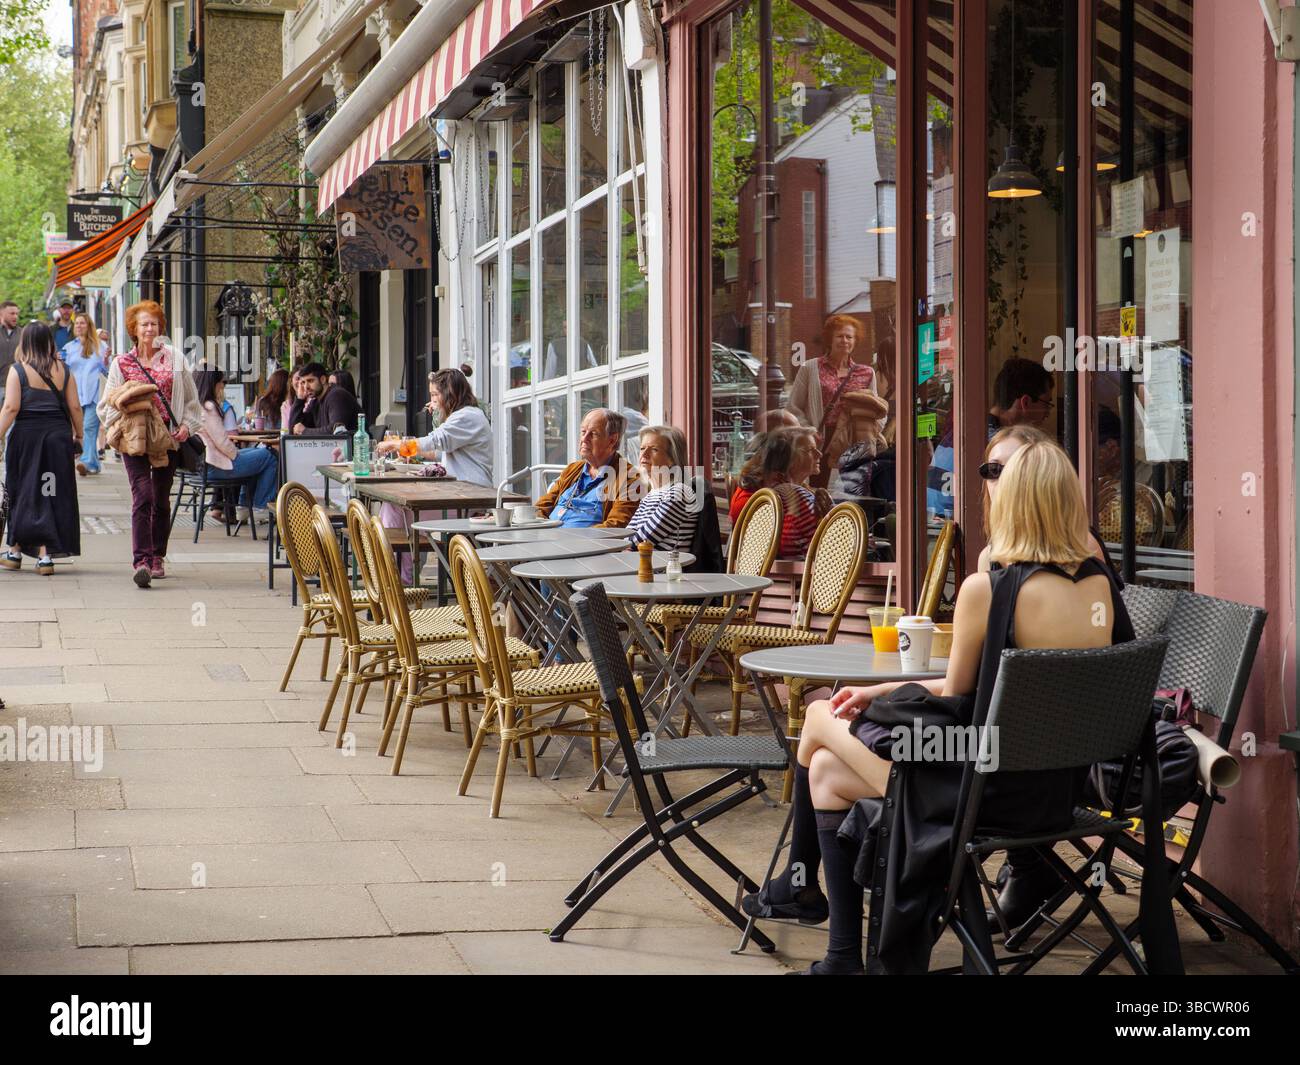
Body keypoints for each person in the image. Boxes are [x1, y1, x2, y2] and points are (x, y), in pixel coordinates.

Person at [744, 438, 1131, 974]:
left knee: (817, 717)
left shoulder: (990, 587)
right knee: (829, 774)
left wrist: (882, 704)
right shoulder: (1098, 585)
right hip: (1056, 790)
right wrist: (879, 694)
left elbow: (952, 695)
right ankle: (832, 944)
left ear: (1012, 500)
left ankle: (807, 895)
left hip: (981, 795)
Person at [98, 299, 202, 588]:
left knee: (161, 498)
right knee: (142, 495)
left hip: (167, 438)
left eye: (154, 323)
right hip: (135, 439)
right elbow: (106, 404)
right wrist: (117, 426)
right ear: (134, 328)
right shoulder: (122, 363)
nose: (149, 328)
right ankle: (141, 560)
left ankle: (158, 556)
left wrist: (186, 427)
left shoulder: (175, 359)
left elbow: (192, 402)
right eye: (144, 323)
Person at [0, 323, 82, 574]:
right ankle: (45, 556)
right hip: (57, 438)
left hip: (26, 438)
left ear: (25, 343)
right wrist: (78, 435)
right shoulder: (63, 369)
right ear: (49, 341)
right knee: (51, 491)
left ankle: (14, 552)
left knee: (22, 489)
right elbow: (75, 407)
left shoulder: (18, 370)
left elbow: (11, 408)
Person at [787, 315, 889, 489]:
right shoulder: (810, 368)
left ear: (855, 341)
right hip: (821, 438)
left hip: (853, 438)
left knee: (853, 492)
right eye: (839, 336)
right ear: (830, 339)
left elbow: (876, 409)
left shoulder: (866, 372)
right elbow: (793, 406)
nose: (845, 340)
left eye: (849, 337)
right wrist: (809, 432)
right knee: (818, 491)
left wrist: (872, 431)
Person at [375, 368, 492, 485]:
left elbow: (435, 440)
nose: (432, 400)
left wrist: (395, 444)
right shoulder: (465, 415)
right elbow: (440, 453)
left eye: (435, 394)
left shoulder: (467, 416)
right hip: (461, 489)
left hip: (472, 492)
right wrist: (409, 450)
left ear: (450, 393)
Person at [729, 427, 831, 558]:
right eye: (810, 450)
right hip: (787, 573)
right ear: (791, 460)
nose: (820, 454)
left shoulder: (796, 494)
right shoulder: (760, 500)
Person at [194, 369, 279, 524]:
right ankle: (260, 506)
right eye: (221, 382)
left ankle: (244, 506)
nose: (222, 386)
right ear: (213, 384)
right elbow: (222, 442)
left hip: (206, 465)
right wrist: (237, 455)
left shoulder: (195, 406)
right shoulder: (209, 407)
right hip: (218, 465)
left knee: (256, 453)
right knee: (270, 456)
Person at [534, 408, 638, 528]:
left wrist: (574, 539)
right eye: (583, 432)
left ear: (612, 440)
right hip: (547, 539)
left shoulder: (630, 479)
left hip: (582, 544)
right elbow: (542, 506)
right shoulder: (572, 470)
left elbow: (615, 526)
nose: (584, 438)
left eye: (593, 434)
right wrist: (539, 528)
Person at [625, 426, 700, 553]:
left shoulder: (678, 493)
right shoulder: (651, 494)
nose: (644, 454)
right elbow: (627, 534)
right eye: (642, 448)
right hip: (642, 563)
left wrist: (620, 548)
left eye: (654, 449)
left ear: (672, 459)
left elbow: (644, 540)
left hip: (663, 569)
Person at [61, 312, 109, 476]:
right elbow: (64, 370)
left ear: (89, 326)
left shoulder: (100, 346)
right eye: (77, 323)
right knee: (77, 430)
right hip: (74, 395)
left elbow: (107, 371)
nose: (79, 326)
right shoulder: (69, 347)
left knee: (89, 427)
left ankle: (86, 461)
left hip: (94, 394)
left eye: (82, 323)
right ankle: (94, 464)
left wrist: (107, 361)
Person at [289, 361, 361, 435]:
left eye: (310, 381)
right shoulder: (315, 402)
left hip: (358, 445)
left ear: (323, 379)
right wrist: (299, 399)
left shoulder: (336, 395)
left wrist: (305, 431)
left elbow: (336, 430)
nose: (306, 387)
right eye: (303, 382)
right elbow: (294, 431)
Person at [0, 301, 19, 408]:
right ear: (2, 314)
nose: (15, 316)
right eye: (12, 313)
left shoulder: (23, 334)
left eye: (17, 314)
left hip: (17, 386)